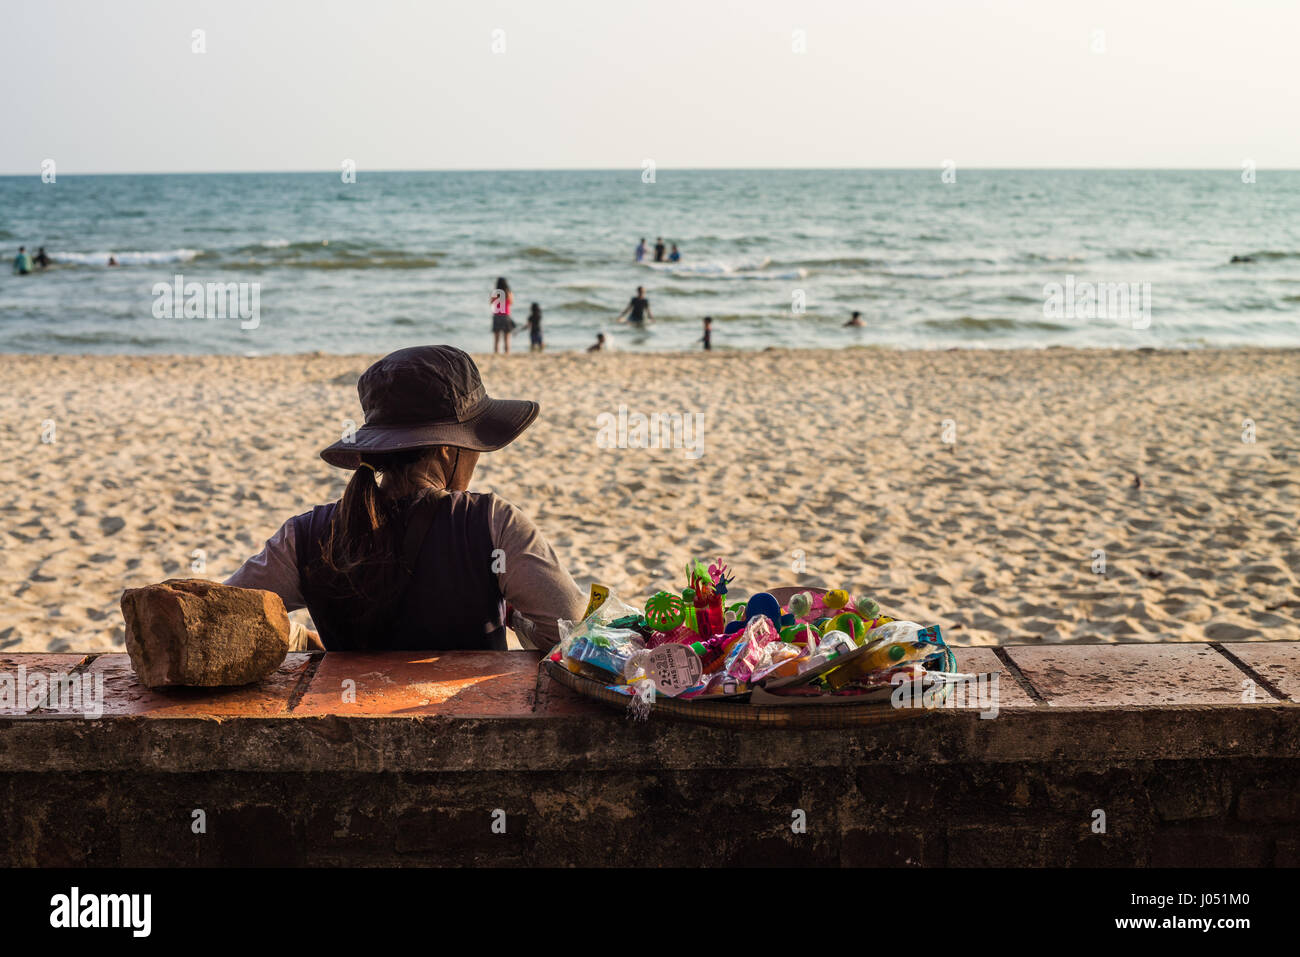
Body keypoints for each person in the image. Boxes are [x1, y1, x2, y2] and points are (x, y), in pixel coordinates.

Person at [225, 345, 587, 652]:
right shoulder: (494, 524)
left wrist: (299, 638)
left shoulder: (305, 536)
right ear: (448, 449)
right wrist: (513, 617)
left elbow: (221, 616)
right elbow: (569, 633)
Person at [491, 277, 515, 354]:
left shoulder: (495, 293)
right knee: (506, 339)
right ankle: (507, 353)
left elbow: (491, 303)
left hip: (497, 316)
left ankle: (496, 353)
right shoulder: (508, 293)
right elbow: (511, 303)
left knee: (496, 339)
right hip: (506, 316)